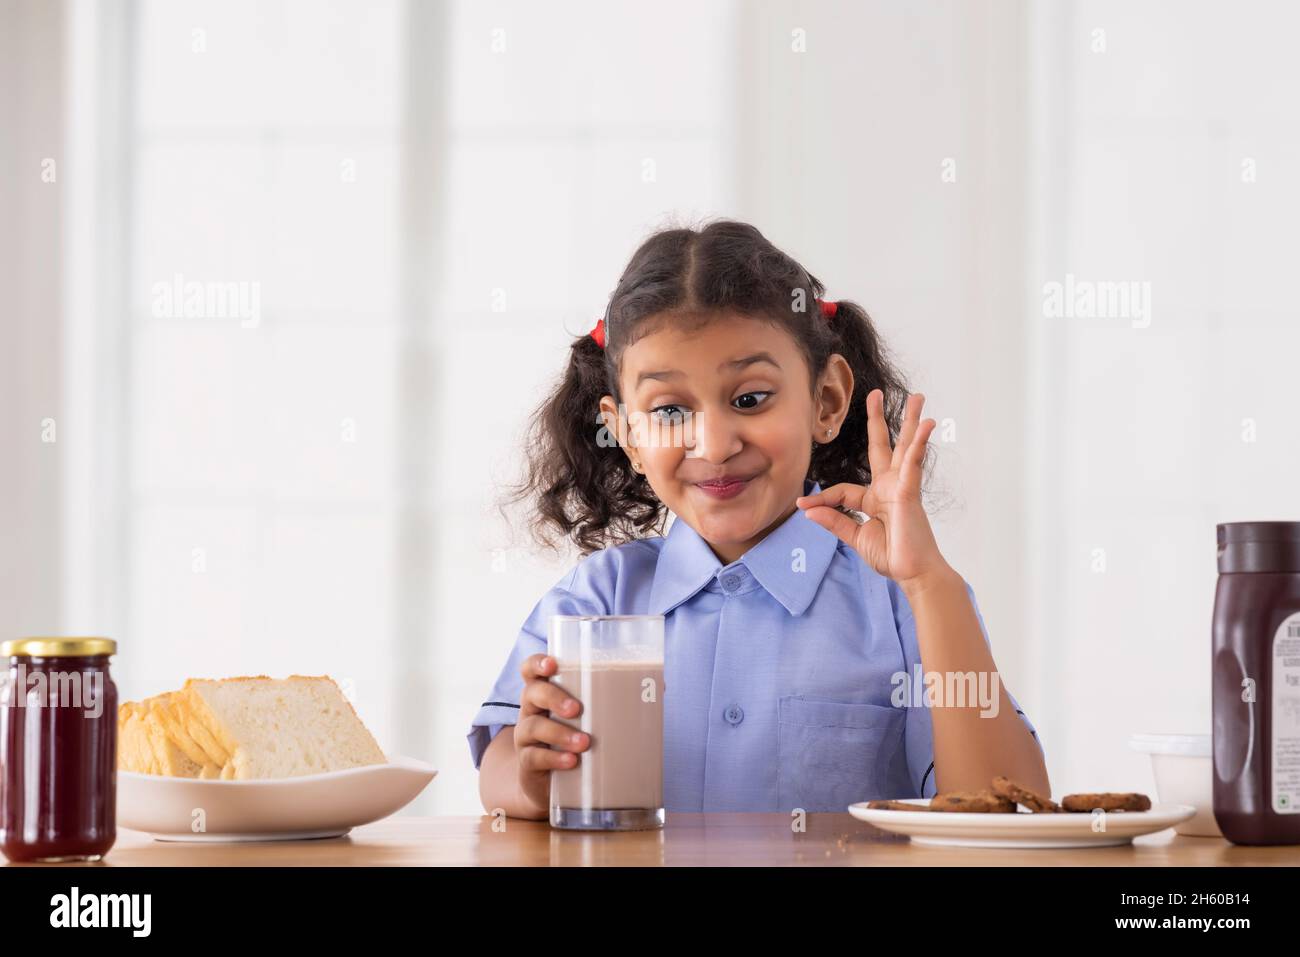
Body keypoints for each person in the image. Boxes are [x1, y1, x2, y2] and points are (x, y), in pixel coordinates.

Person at [470, 218, 1048, 818]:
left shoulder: (904, 602)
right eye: (669, 410)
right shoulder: (595, 601)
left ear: (825, 402)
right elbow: (501, 772)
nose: (714, 444)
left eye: (749, 399)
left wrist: (930, 583)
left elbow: (1007, 804)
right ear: (628, 436)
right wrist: (535, 777)